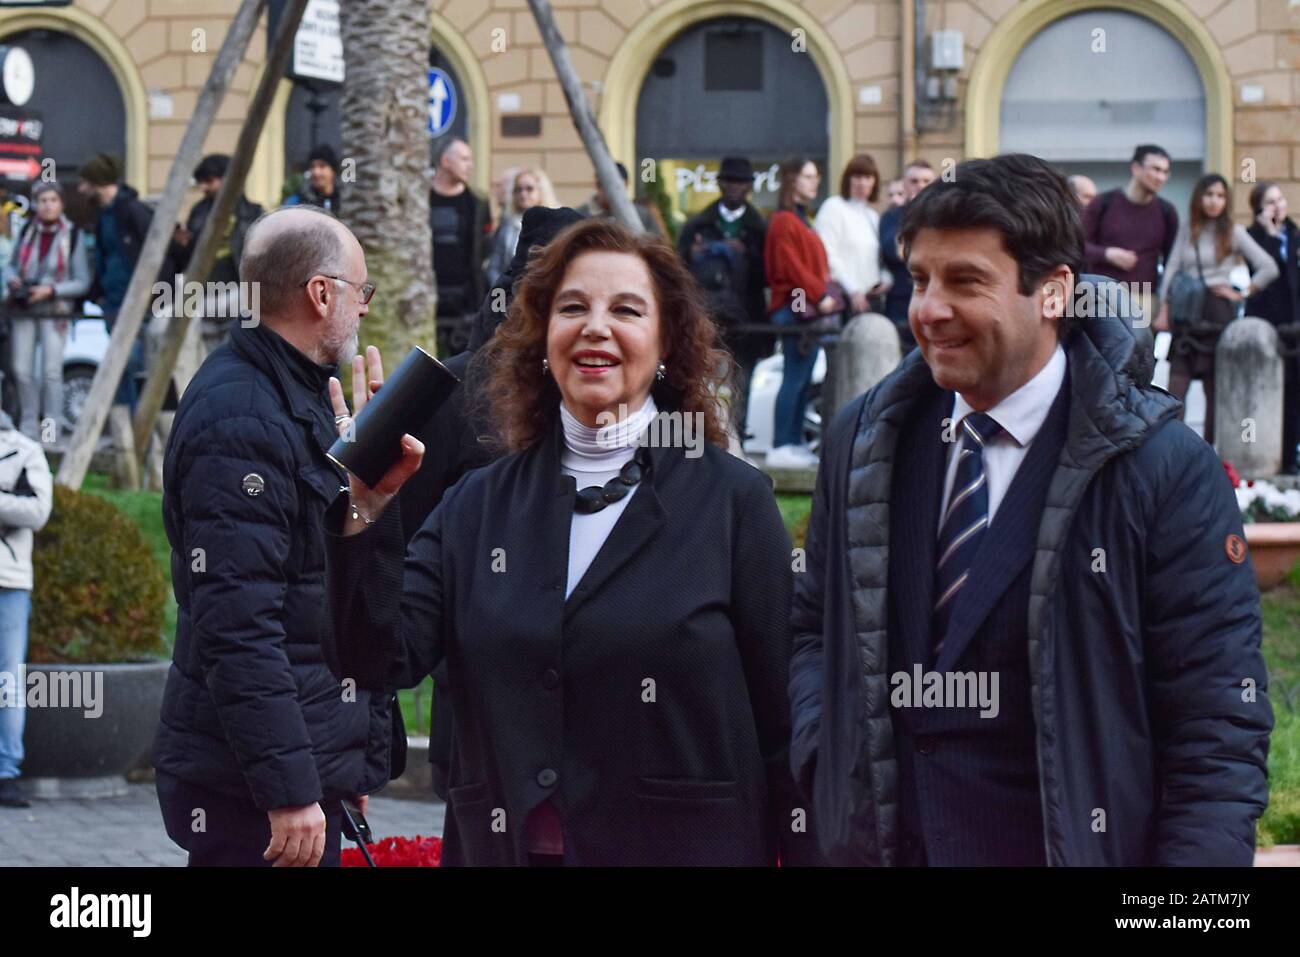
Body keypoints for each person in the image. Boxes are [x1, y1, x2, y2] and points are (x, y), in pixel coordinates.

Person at [788, 153, 1272, 866]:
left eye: (965, 281)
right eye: (921, 279)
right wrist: (826, 758)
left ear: (1053, 293)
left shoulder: (1164, 471)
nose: (929, 309)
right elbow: (811, 626)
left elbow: (1217, 731)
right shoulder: (862, 442)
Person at [323, 218, 815, 866]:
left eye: (627, 309)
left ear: (666, 338)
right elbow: (374, 659)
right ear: (541, 336)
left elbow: (785, 729)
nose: (595, 326)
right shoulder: (477, 505)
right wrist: (366, 507)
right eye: (573, 307)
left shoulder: (732, 503)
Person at [152, 206, 394, 867]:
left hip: (295, 771)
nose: (365, 309)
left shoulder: (298, 391)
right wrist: (290, 789)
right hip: (252, 793)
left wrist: (342, 769)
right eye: (361, 291)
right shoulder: (242, 415)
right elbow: (240, 624)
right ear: (321, 293)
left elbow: (318, 593)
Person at [399, 205, 584, 812]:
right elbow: (404, 539)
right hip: (478, 685)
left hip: (588, 694)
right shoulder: (451, 392)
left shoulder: (603, 401)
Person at [1155, 174, 1278, 445]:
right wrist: (1163, 308)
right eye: (1209, 194)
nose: (1214, 201)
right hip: (1187, 313)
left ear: (1226, 201)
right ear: (1199, 197)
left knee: (1214, 390)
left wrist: (1242, 293)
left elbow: (1268, 266)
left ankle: (1207, 455)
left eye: (1220, 196)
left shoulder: (1233, 231)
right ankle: (1174, 451)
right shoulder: (1189, 228)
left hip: (1217, 311)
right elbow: (1172, 268)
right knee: (1176, 388)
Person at [677, 156, 768, 439]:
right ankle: (705, 435)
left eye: (740, 182)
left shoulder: (759, 228)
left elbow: (767, 275)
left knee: (743, 378)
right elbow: (679, 270)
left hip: (747, 317)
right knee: (703, 378)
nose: (734, 188)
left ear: (749, 187)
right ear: (720, 184)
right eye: (729, 181)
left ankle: (736, 434)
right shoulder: (697, 225)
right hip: (706, 315)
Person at [764, 156, 838, 469]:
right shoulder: (784, 221)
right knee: (795, 377)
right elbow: (789, 267)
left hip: (805, 308)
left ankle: (791, 443)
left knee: (803, 377)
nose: (814, 181)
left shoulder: (800, 219)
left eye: (816, 175)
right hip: (795, 307)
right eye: (808, 176)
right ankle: (781, 444)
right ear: (793, 180)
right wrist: (820, 295)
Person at [3, 183, 91, 439]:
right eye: (42, 200)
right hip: (25, 308)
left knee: (51, 372)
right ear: (36, 204)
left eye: (53, 199)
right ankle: (28, 428)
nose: (48, 205)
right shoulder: (27, 231)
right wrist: (14, 281)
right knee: (21, 369)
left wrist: (51, 290)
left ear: (61, 203)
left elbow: (82, 281)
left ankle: (51, 429)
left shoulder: (72, 235)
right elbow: (10, 266)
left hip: (55, 309)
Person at [0, 409, 53, 809]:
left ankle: (6, 773)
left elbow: (37, 511)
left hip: (10, 582)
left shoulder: (26, 450)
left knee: (8, 680)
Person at [165, 153, 265, 355]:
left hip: (240, 292)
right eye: (201, 182)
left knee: (240, 352)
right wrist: (182, 244)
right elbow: (187, 256)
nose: (204, 188)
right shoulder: (199, 212)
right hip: (207, 295)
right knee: (213, 355)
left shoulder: (252, 212)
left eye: (209, 181)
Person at [77, 152, 153, 414]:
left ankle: (137, 425)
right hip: (113, 302)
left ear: (97, 181)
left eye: (85, 182)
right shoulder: (104, 216)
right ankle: (125, 429)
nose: (80, 189)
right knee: (119, 365)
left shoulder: (132, 211)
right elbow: (103, 258)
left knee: (130, 364)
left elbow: (156, 252)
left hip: (135, 303)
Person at [1082, 144, 1179, 323]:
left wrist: (1165, 305)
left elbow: (1171, 262)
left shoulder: (1167, 211)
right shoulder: (1103, 203)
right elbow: (1077, 245)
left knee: (1141, 351)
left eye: (1165, 172)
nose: (1161, 177)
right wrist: (1107, 254)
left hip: (1146, 299)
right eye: (1156, 169)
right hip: (1103, 296)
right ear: (1136, 168)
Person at [1246, 182, 1300, 473]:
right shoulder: (1253, 237)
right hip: (1266, 324)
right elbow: (1262, 273)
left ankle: (1291, 458)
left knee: (1294, 392)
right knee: (1268, 391)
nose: (1278, 206)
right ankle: (1266, 457)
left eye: (1279, 199)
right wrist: (1267, 234)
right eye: (1270, 202)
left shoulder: (1293, 234)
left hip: (1295, 325)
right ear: (1258, 209)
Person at [429, 136, 490, 355]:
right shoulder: (421, 199)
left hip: (466, 303)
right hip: (426, 299)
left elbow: (483, 252)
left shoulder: (478, 203)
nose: (470, 165)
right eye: (464, 159)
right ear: (445, 161)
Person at [814, 153, 891, 318]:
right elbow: (827, 253)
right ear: (848, 179)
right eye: (857, 176)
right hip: (842, 300)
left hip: (871, 299)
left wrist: (886, 279)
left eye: (868, 177)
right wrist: (853, 290)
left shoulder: (872, 217)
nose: (862, 183)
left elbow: (880, 259)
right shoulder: (834, 207)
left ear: (874, 181)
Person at [879, 159, 936, 352]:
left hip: (935, 298)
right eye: (914, 181)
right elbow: (896, 251)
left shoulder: (943, 216)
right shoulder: (892, 217)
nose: (920, 186)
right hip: (901, 303)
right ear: (904, 183)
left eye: (926, 181)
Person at [484, 167, 557, 289]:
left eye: (529, 189)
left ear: (541, 191)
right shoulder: (507, 226)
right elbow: (494, 267)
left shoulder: (554, 224)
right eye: (518, 190)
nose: (523, 194)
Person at [576, 161, 664, 236]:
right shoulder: (579, 216)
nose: (612, 192)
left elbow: (657, 245)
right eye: (607, 186)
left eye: (618, 187)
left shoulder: (642, 215)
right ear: (597, 185)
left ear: (626, 185)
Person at [286, 144, 343, 215]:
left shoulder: (347, 201)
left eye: (322, 166)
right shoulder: (296, 202)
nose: (316, 172)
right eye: (312, 167)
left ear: (333, 171)